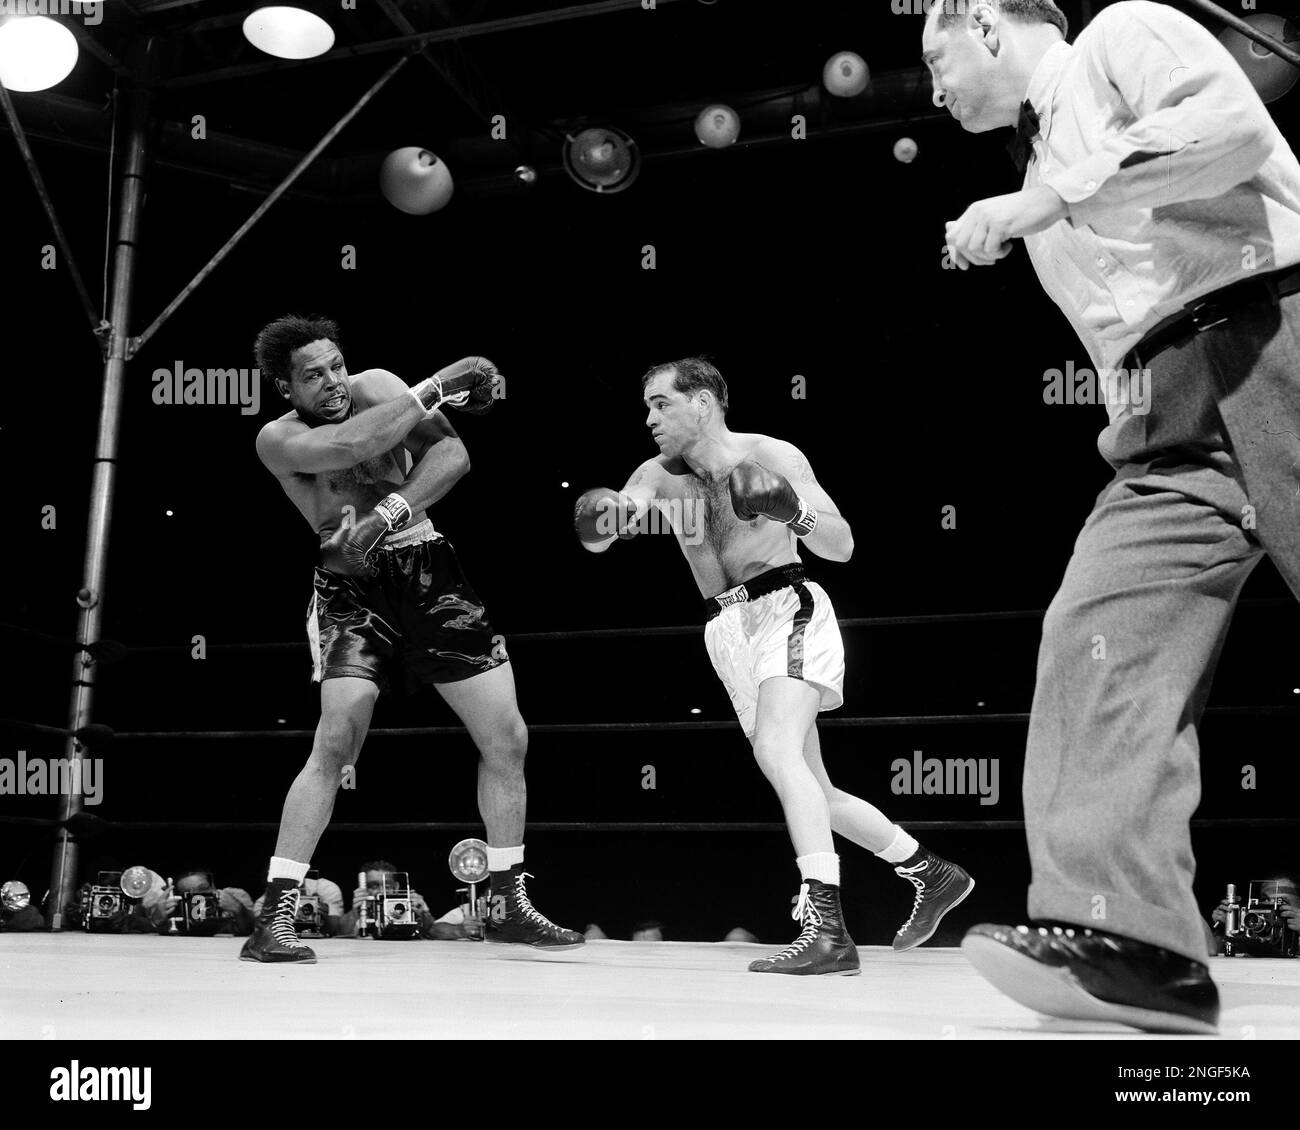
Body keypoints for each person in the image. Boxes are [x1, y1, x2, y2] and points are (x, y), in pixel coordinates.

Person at [922, 0, 1300, 1032]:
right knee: (1096, 630)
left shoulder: (1120, 38)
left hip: (1277, 327)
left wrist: (1043, 197)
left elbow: (1227, 126)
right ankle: (1134, 939)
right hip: (1160, 412)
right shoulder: (1032, 170)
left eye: (933, 51)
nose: (931, 82)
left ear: (985, 23)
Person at [574, 358, 974, 975]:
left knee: (779, 756)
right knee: (812, 785)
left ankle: (829, 931)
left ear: (703, 402)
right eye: (648, 406)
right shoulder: (657, 474)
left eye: (661, 404)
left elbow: (841, 545)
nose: (649, 418)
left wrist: (792, 511)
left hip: (787, 604)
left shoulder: (772, 455)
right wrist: (609, 517)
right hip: (724, 629)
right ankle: (930, 870)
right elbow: (613, 525)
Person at [240, 314, 582, 963]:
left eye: (337, 365)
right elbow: (344, 449)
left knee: (507, 737)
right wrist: (436, 386)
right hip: (350, 585)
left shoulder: (380, 386)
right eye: (314, 376)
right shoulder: (276, 439)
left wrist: (385, 513)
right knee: (337, 740)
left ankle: (509, 902)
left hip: (430, 569)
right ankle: (274, 919)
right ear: (286, 387)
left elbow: (453, 454)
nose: (335, 381)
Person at [151, 868, 255, 936]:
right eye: (189, 893)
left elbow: (251, 930)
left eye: (203, 888)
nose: (198, 896)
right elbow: (168, 934)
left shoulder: (235, 895)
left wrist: (239, 909)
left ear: (213, 886)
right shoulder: (177, 905)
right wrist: (158, 919)